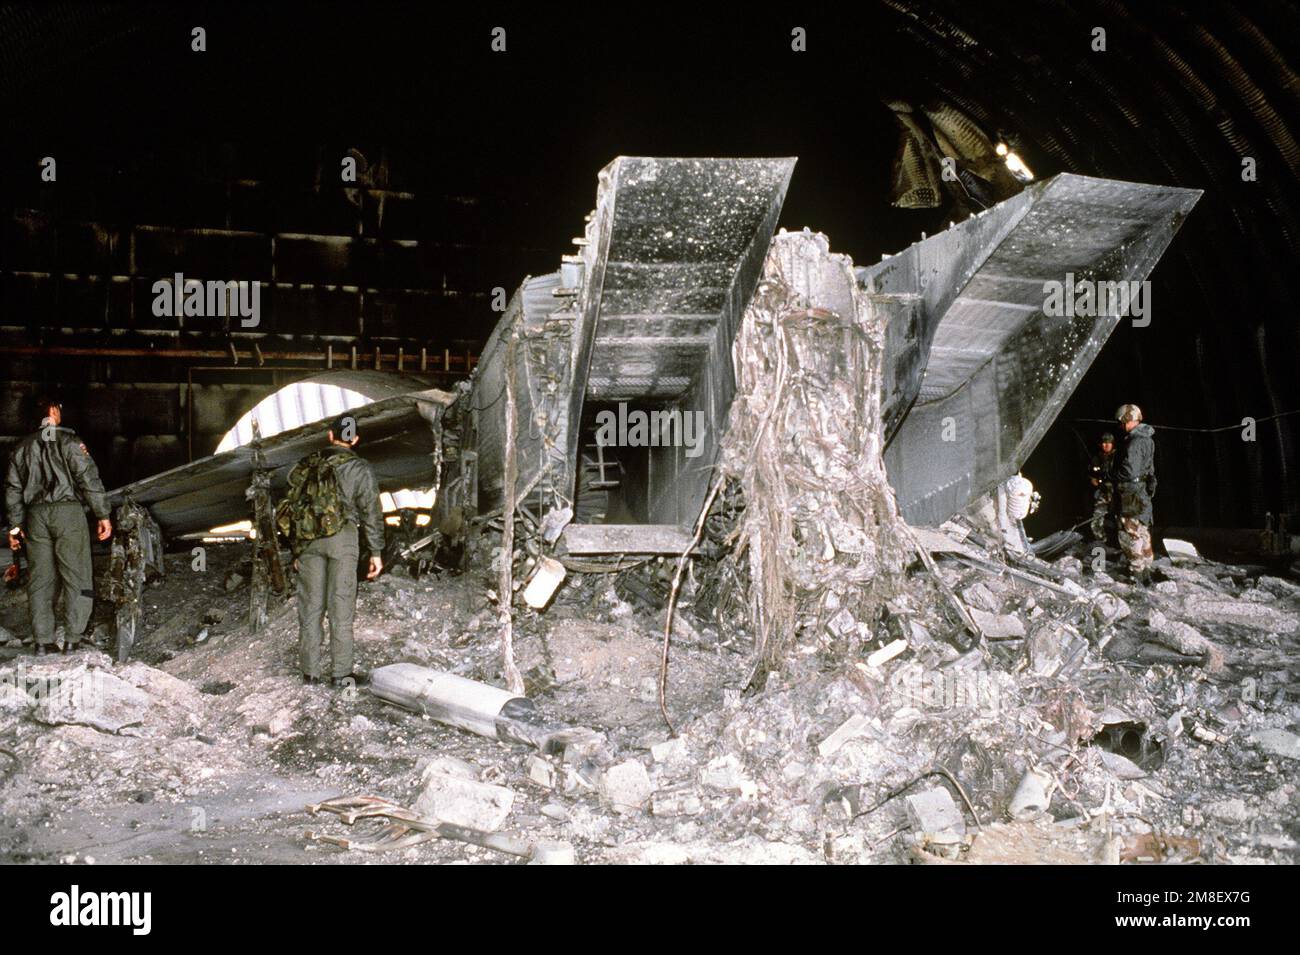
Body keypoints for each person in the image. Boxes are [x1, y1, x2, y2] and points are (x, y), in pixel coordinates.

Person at [4, 397, 112, 654]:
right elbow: (88, 479)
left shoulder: (22, 447)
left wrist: (15, 527)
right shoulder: (70, 442)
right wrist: (103, 514)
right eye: (59, 408)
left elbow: (13, 489)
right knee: (78, 575)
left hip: (35, 517)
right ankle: (73, 638)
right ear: (53, 411)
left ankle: (43, 641)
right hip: (68, 514)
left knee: (40, 579)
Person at [287, 414, 384, 687]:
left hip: (309, 541)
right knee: (341, 605)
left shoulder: (308, 465)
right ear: (355, 439)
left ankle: (310, 673)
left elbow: (293, 509)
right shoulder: (360, 468)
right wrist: (376, 551)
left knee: (311, 607)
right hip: (343, 539)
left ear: (330, 436)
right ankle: (341, 674)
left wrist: (297, 551)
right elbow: (371, 511)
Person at [1113, 404, 1157, 585]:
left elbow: (1129, 471)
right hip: (1143, 491)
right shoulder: (1148, 439)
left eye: (1121, 422)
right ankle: (1146, 574)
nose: (1120, 425)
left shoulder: (1134, 441)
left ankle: (1136, 575)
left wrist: (1113, 476)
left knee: (1130, 533)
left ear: (1126, 419)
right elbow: (1150, 469)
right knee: (1143, 532)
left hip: (1131, 492)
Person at [1089, 431, 1117, 543]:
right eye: (1104, 443)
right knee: (1096, 520)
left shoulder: (1118, 457)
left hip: (1117, 492)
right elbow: (1091, 473)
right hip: (1103, 491)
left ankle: (1121, 544)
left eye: (1109, 443)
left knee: (1121, 520)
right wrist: (1092, 479)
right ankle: (1101, 541)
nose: (1106, 445)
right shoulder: (1097, 458)